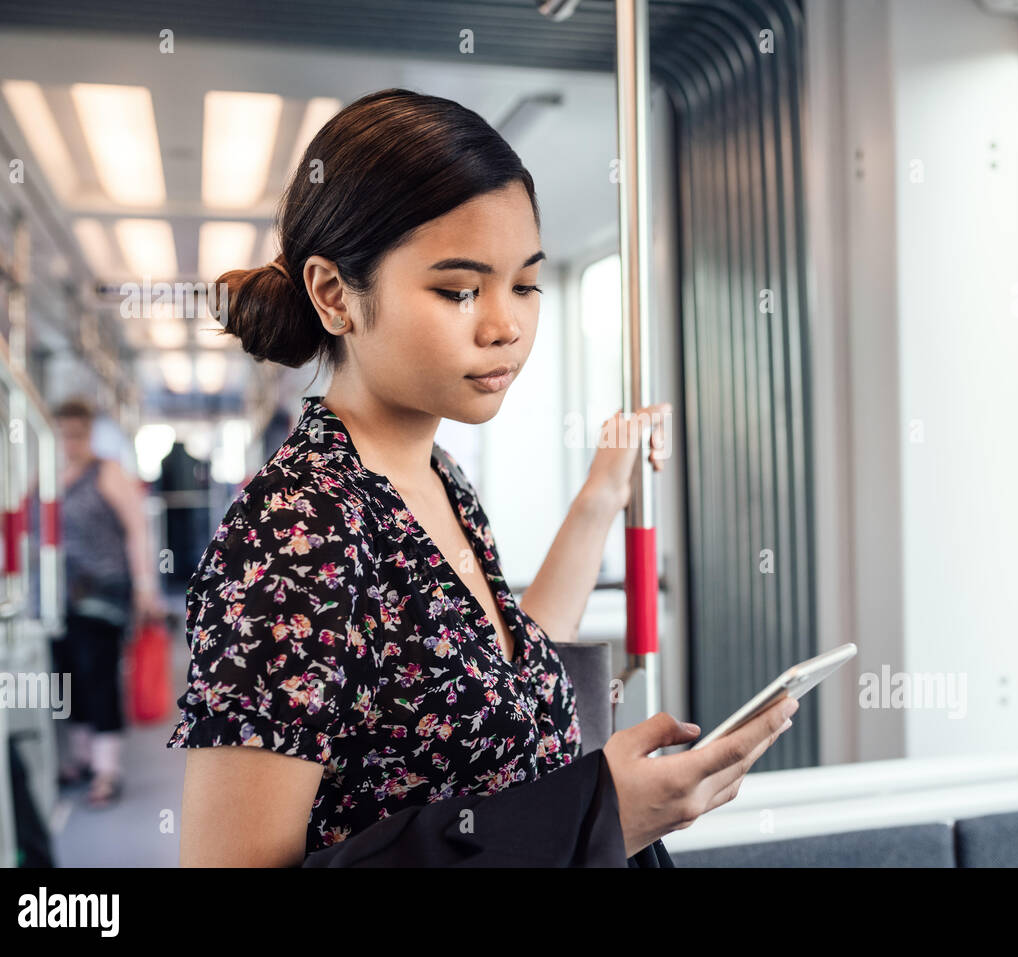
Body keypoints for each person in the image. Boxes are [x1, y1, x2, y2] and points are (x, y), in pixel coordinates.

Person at [168, 88, 798, 867]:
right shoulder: (300, 529)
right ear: (335, 294)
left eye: (526, 284)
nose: (506, 324)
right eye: (460, 289)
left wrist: (604, 491)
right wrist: (600, 819)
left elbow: (497, 670)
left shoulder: (438, 477)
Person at [52, 397, 167, 807]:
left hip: (102, 592)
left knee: (98, 675)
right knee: (66, 678)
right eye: (63, 434)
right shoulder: (48, 477)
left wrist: (144, 587)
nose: (70, 442)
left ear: (89, 433)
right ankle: (82, 759)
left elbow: (137, 529)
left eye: (77, 434)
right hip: (55, 596)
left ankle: (107, 770)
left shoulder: (108, 473)